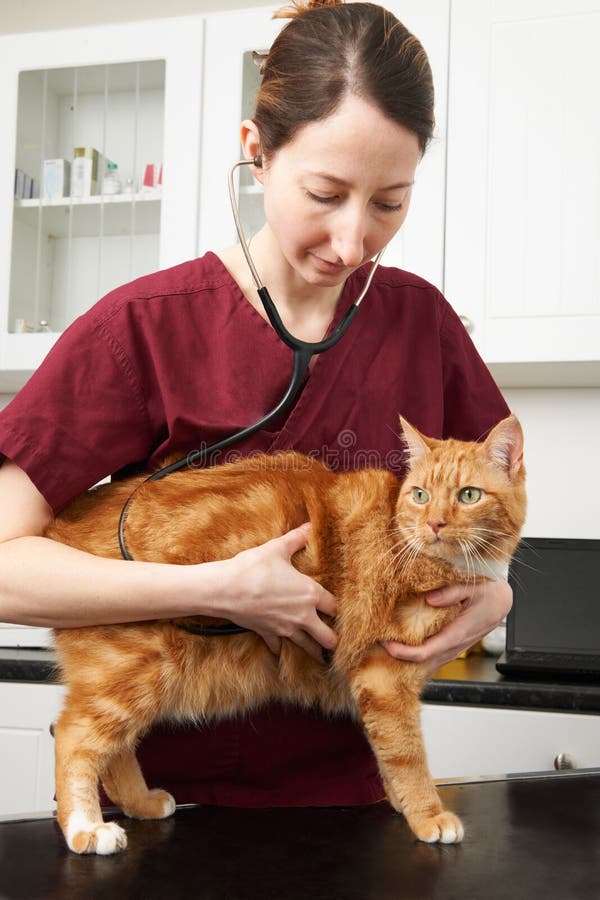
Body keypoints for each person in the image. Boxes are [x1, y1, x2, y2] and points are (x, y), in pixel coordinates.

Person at [0, 0, 512, 807]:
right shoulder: (141, 328)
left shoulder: (424, 324)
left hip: (359, 802)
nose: (352, 243)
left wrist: (497, 591)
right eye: (325, 193)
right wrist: (213, 588)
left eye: (389, 203)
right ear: (256, 154)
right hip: (175, 806)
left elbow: (497, 504)